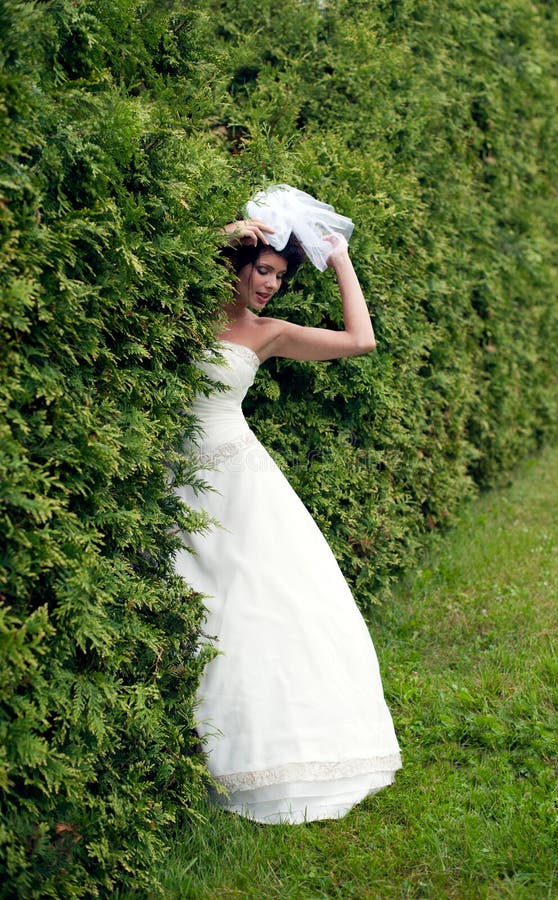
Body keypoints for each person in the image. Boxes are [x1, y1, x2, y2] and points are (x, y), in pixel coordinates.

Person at [175, 186, 401, 824]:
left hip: (238, 482)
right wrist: (234, 230)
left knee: (256, 604)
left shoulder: (268, 333)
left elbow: (361, 340)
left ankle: (269, 755)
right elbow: (182, 258)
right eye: (263, 269)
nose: (270, 284)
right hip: (169, 474)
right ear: (240, 264)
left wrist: (339, 259)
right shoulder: (187, 307)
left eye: (280, 275)